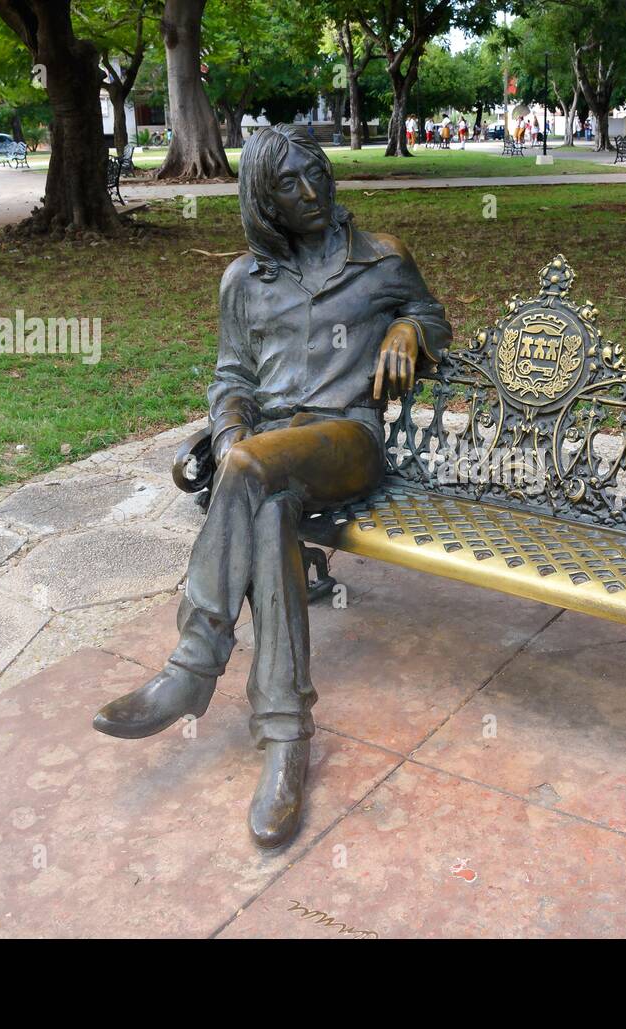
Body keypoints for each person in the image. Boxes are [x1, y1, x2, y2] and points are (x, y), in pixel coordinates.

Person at [92, 125, 452, 849]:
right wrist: (229, 438)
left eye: (316, 173)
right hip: (265, 459)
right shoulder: (242, 283)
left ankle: (193, 665)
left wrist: (411, 330)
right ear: (263, 197)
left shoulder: (378, 258)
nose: (312, 191)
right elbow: (232, 381)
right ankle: (286, 738)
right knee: (268, 511)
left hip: (346, 442)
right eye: (289, 183)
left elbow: (434, 316)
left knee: (255, 471)